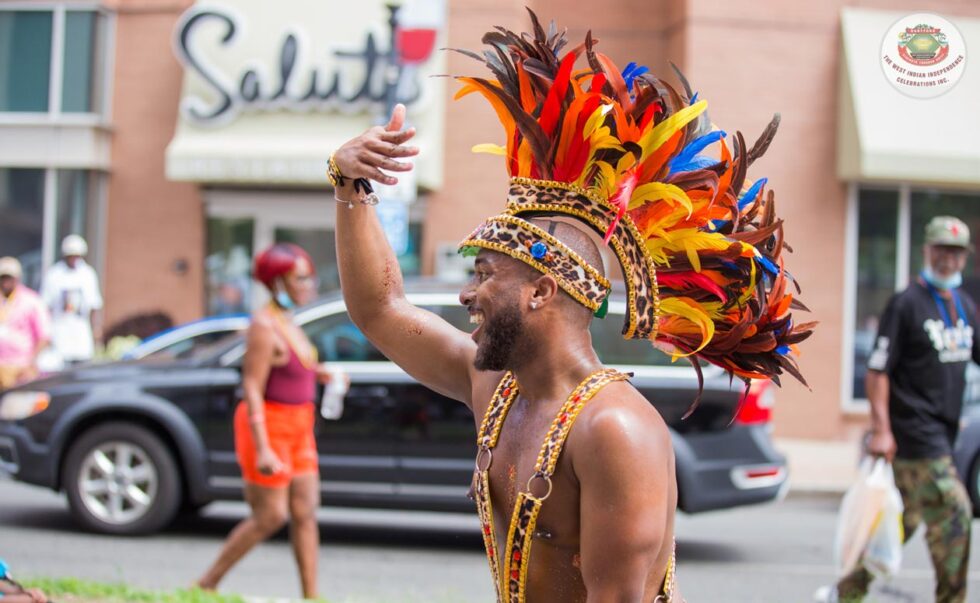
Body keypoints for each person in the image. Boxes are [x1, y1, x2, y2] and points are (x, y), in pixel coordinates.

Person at [329, 11, 812, 602]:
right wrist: (351, 185)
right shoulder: (500, 390)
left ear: (541, 291)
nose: (466, 294)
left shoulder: (614, 430)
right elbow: (380, 309)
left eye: (484, 274)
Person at [819, 216, 976, 603]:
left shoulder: (965, 306)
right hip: (914, 432)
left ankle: (844, 594)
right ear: (927, 250)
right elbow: (877, 371)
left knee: (895, 525)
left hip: (943, 432)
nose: (948, 259)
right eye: (941, 249)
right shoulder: (906, 304)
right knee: (955, 512)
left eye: (956, 253)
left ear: (965, 258)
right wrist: (882, 428)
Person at [197, 243, 335, 599]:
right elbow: (252, 387)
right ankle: (206, 584)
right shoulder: (263, 325)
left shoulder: (288, 320)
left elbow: (292, 366)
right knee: (270, 516)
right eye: (300, 278)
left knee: (305, 512)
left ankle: (311, 596)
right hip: (268, 425)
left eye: (309, 276)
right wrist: (263, 448)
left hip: (299, 426)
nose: (309, 284)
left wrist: (320, 374)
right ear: (277, 283)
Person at [40, 235, 103, 366]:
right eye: (71, 255)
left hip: (81, 336)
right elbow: (45, 306)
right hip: (60, 334)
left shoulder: (87, 274)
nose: (74, 259)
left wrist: (96, 329)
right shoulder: (54, 274)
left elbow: (94, 305)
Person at [0, 257, 51, 390]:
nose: (5, 282)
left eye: (9, 278)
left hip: (20, 368)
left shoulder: (31, 301)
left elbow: (44, 337)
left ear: (17, 278)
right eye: (2, 278)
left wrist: (31, 362)